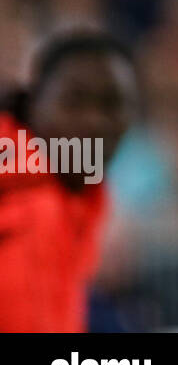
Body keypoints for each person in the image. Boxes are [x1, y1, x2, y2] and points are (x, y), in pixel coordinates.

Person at [0, 29, 135, 332]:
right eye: (75, 101)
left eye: (112, 104)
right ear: (34, 102)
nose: (94, 122)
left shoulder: (75, 196)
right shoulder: (30, 205)